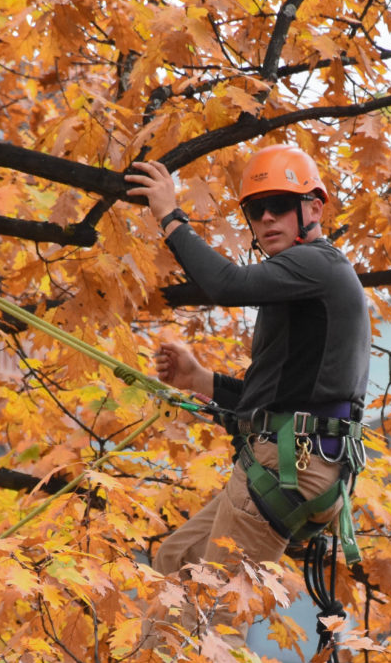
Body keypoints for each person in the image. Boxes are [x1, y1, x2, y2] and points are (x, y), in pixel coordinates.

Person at [125, 144, 370, 583]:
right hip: (297, 459)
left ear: (314, 207)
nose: (267, 219)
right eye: (256, 211)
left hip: (293, 463)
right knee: (174, 563)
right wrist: (201, 379)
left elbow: (226, 284)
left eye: (278, 205)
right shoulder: (301, 288)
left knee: (214, 611)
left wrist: (169, 216)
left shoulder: (319, 264)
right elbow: (278, 399)